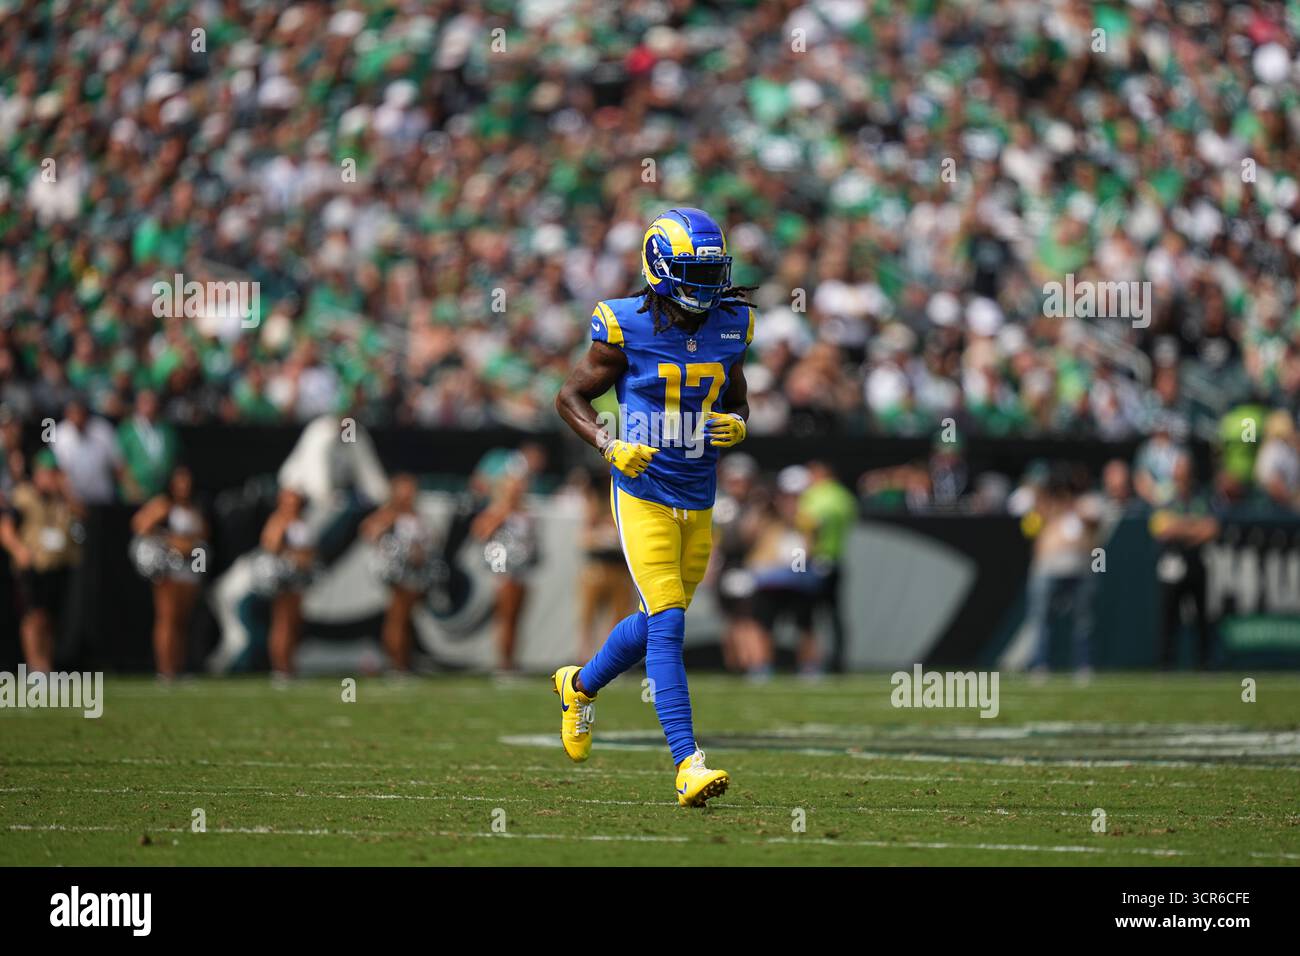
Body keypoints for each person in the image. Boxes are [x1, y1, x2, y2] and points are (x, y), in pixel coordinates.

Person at [552, 208, 753, 806]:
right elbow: (569, 396)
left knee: (656, 620)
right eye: (693, 270)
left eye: (711, 270)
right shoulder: (622, 324)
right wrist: (609, 443)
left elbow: (738, 398)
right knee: (668, 622)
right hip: (643, 492)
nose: (706, 284)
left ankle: (579, 684)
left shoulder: (733, 321)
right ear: (661, 268)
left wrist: (738, 425)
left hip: (700, 492)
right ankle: (688, 763)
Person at [0, 450, 83, 672]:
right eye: (48, 473)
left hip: (57, 566)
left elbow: (83, 514)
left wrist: (65, 491)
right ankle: (36, 667)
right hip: (32, 567)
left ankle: (46, 665)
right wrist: (19, 550)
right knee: (33, 617)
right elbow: (6, 529)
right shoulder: (23, 497)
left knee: (50, 619)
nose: (51, 478)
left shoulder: (62, 499)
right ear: (38, 473)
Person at [129, 465, 207, 679]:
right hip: (168, 568)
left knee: (183, 620)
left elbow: (202, 536)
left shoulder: (194, 508)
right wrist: (169, 540)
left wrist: (191, 546)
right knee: (167, 618)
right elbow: (139, 525)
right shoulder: (164, 505)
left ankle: (178, 667)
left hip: (189, 569)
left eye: (187, 480)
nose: (184, 485)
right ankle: (165, 668)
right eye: (180, 481)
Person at [361, 473, 436, 673]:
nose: (409, 494)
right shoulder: (390, 513)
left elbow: (430, 542)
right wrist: (389, 521)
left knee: (406, 619)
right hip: (397, 574)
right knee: (397, 617)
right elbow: (369, 532)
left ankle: (404, 661)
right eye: (405, 489)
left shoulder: (418, 515)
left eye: (412, 489)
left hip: (417, 574)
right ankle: (396, 663)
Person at [1152, 452, 1220, 669]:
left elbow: (1211, 529)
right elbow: (1162, 529)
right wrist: (1192, 527)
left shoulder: (1201, 497)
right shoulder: (1167, 497)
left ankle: (1203, 663)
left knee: (1201, 615)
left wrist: (1180, 528)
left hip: (1197, 563)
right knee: (1169, 617)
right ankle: (1166, 663)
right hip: (1172, 562)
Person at [796, 460, 858, 673]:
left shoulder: (814, 497)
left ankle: (811, 662)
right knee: (834, 615)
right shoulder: (844, 497)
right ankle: (838, 661)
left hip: (815, 561)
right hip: (835, 559)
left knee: (808, 614)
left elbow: (807, 528)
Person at [256, 487, 316, 680]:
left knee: (294, 623)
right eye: (288, 500)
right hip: (284, 578)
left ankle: (289, 665)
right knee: (282, 622)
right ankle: (280, 667)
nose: (292, 504)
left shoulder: (302, 521)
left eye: (295, 500)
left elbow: (309, 550)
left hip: (300, 578)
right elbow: (270, 545)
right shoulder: (279, 520)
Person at [575, 470, 634, 663]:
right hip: (598, 565)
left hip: (621, 567)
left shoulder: (627, 501)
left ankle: (611, 660)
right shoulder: (594, 501)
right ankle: (586, 658)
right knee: (588, 617)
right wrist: (604, 536)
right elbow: (584, 538)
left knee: (619, 617)